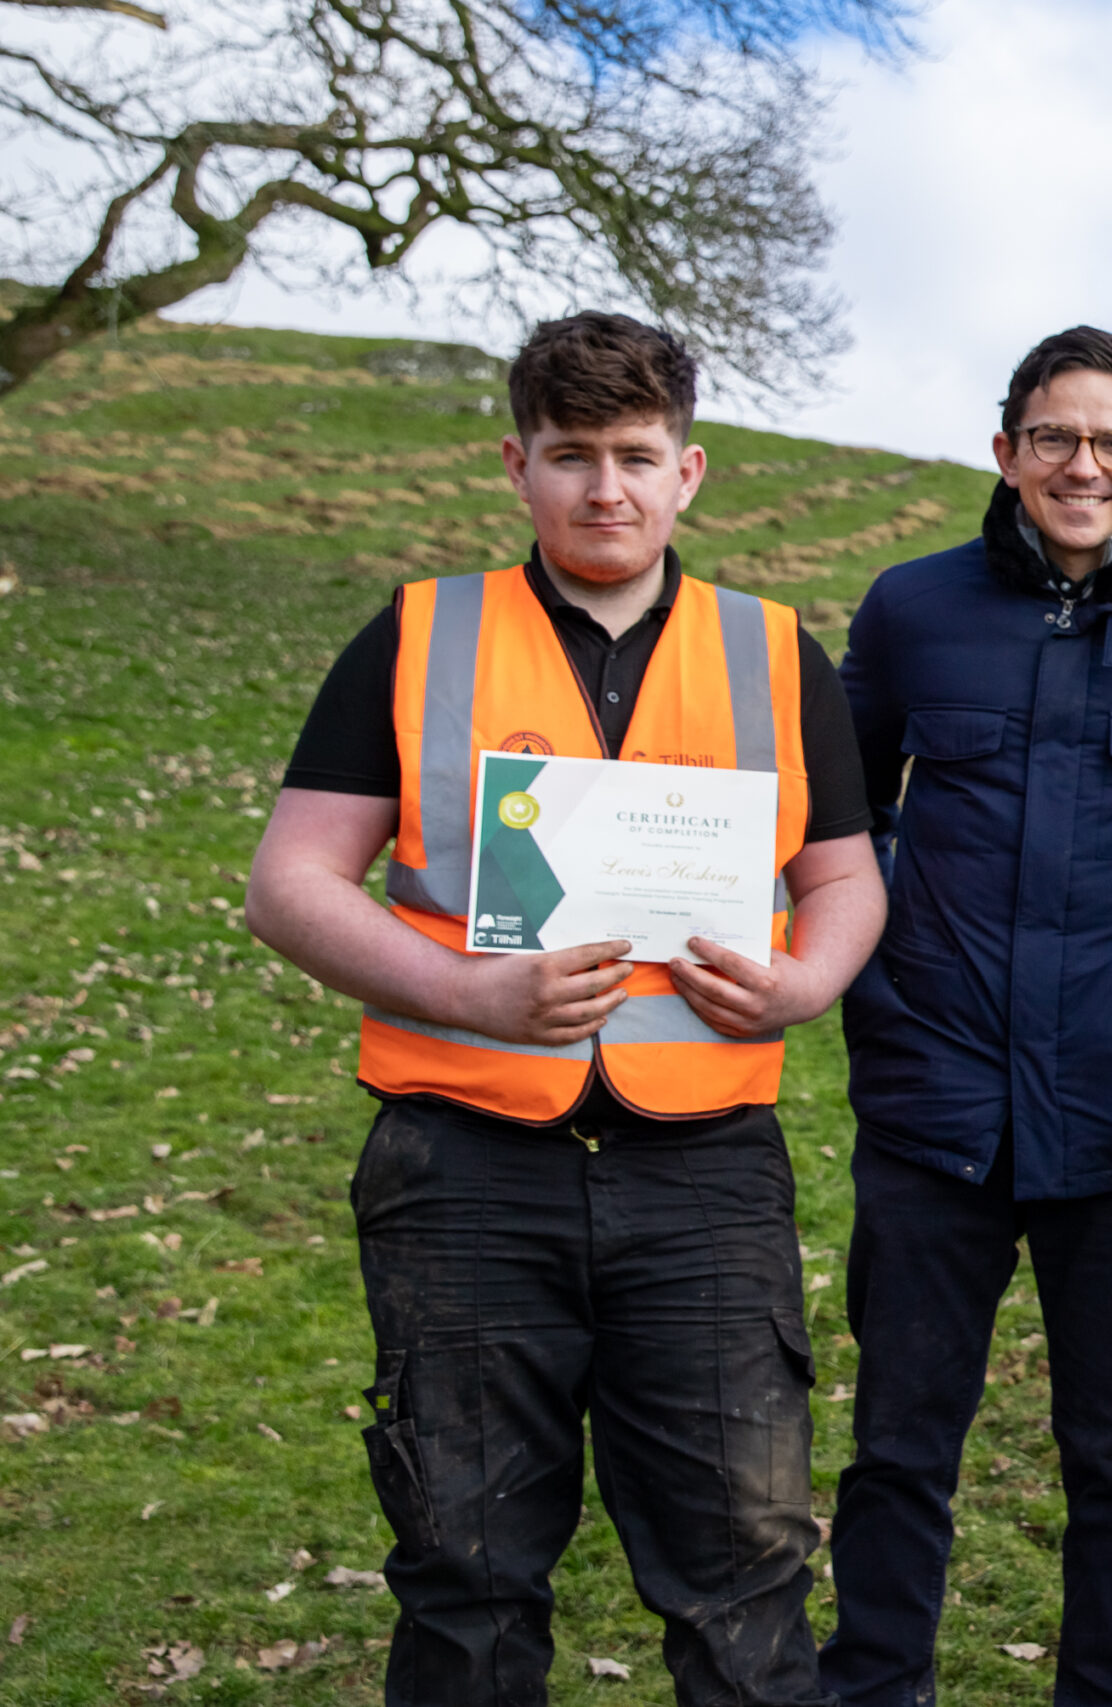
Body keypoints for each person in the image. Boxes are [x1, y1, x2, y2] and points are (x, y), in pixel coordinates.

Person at [244, 311, 885, 1704]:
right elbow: (291, 881)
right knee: (465, 1576)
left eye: (638, 456)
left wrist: (808, 979)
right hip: (463, 1167)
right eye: (572, 455)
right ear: (517, 466)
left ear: (691, 471)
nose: (608, 488)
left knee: (747, 1579)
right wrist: (467, 991)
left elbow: (846, 880)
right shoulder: (418, 634)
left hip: (704, 1177)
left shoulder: (775, 653)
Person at [820, 326, 1112, 1706]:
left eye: (1111, 442)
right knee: (902, 1442)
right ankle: (872, 1687)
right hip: (932, 1115)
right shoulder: (913, 611)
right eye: (1053, 437)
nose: (1080, 465)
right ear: (1006, 449)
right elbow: (837, 822)